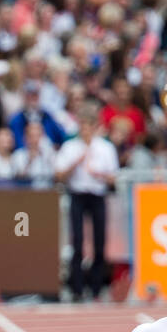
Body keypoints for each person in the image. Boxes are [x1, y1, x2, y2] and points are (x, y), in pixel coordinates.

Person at [54, 108, 119, 301]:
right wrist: (77, 162)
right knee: (78, 241)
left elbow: (113, 177)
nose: (86, 131)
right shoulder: (70, 147)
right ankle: (77, 288)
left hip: (97, 195)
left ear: (96, 128)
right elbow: (59, 175)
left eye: (90, 127)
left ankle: (97, 288)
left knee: (100, 242)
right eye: (83, 126)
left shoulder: (105, 148)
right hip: (78, 194)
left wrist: (99, 174)